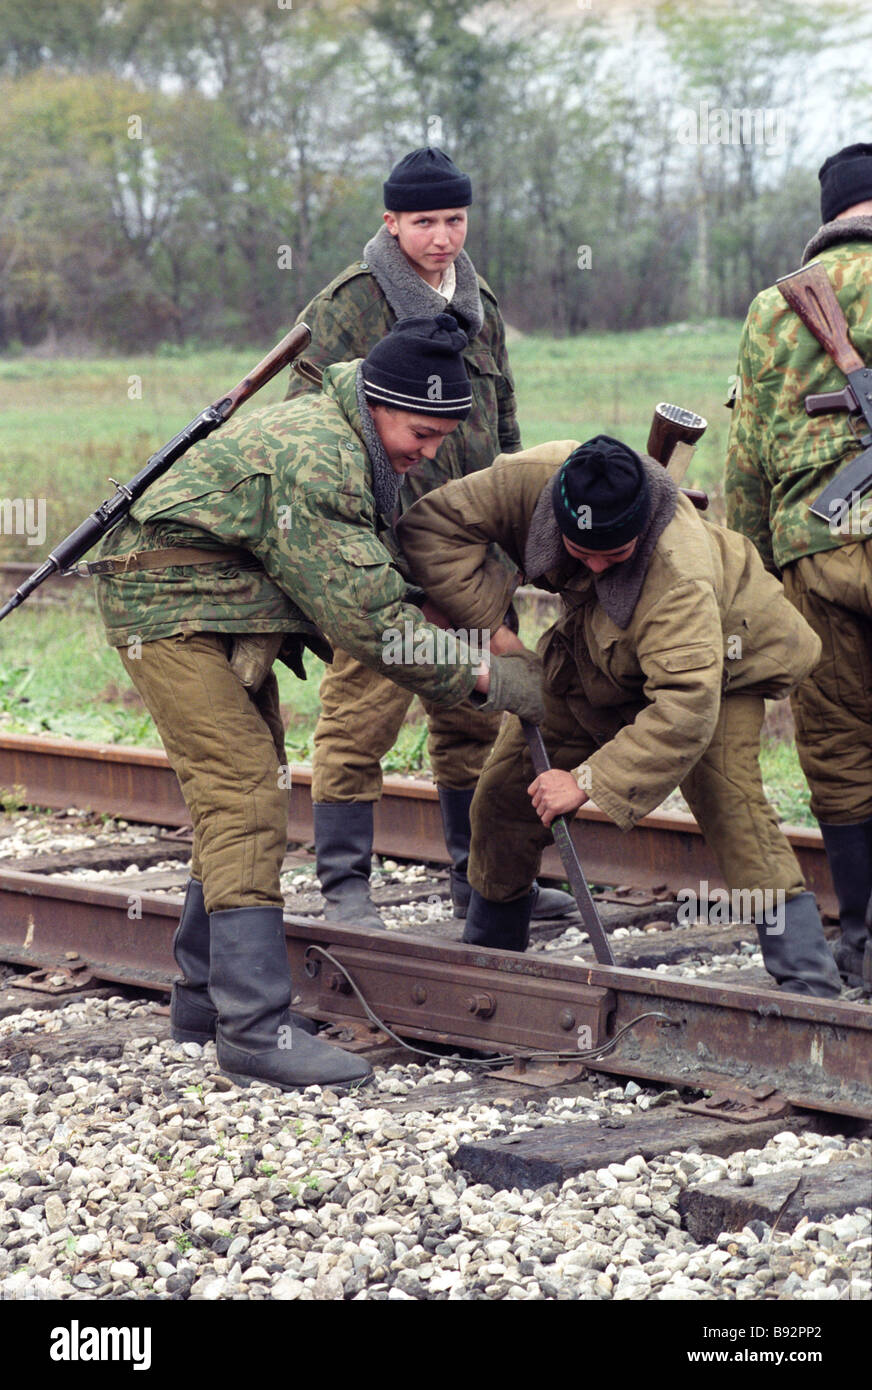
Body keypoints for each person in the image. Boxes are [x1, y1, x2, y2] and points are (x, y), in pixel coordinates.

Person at [92, 317, 545, 1092]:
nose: (429, 451)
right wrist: (488, 681)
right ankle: (253, 1030)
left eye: (442, 436)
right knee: (243, 797)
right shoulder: (322, 459)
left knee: (251, 786)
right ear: (377, 404)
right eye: (420, 432)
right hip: (170, 609)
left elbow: (371, 576)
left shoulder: (350, 439)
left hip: (218, 605)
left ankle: (203, 1001)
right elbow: (373, 624)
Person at [397, 434, 843, 998]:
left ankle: (810, 980)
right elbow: (430, 527)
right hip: (596, 654)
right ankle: (492, 957)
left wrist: (586, 782)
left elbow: (684, 708)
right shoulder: (534, 478)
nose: (599, 565)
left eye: (616, 554)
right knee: (505, 794)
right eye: (582, 553)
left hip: (721, 665)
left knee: (731, 807)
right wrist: (494, 630)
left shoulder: (680, 575)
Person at [286, 145, 574, 927]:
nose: (441, 236)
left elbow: (505, 421)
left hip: (474, 549)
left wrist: (513, 538)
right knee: (362, 714)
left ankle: (475, 879)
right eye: (423, 221)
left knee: (475, 718)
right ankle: (345, 889)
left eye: (453, 219)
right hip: (378, 551)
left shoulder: (480, 298)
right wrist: (352, 543)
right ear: (391, 221)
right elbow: (310, 425)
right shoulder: (348, 302)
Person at [724, 142, 872, 990]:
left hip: (815, 547)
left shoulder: (771, 311)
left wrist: (753, 585)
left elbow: (747, 461)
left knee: (842, 750)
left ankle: (859, 944)